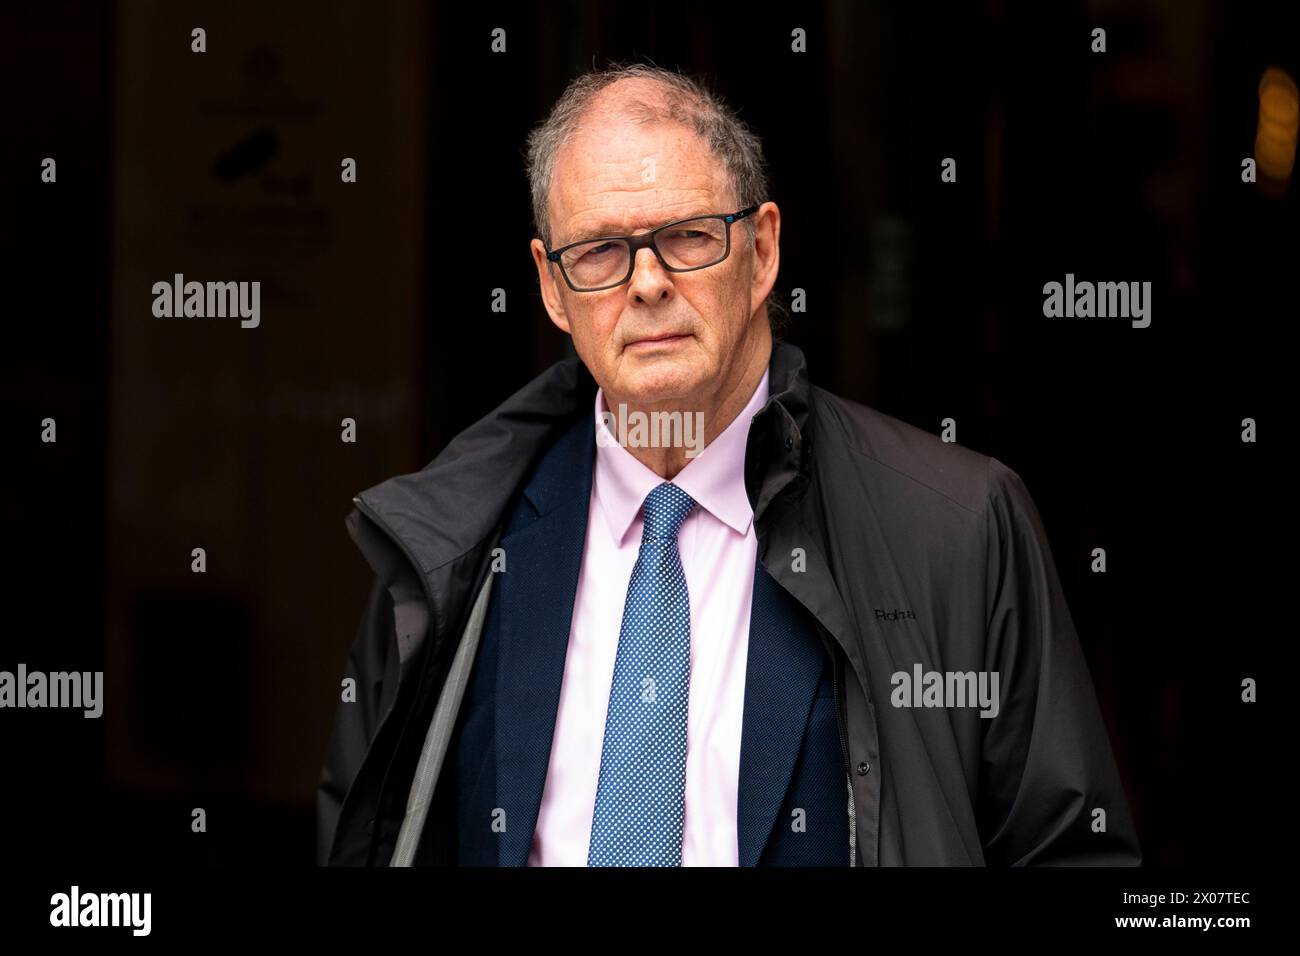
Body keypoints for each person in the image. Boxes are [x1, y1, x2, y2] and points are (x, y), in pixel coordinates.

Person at [317, 62, 1140, 867]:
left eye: (686, 237)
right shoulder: (450, 546)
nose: (647, 284)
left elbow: (1067, 849)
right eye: (601, 251)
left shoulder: (956, 526)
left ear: (764, 249)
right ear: (551, 286)